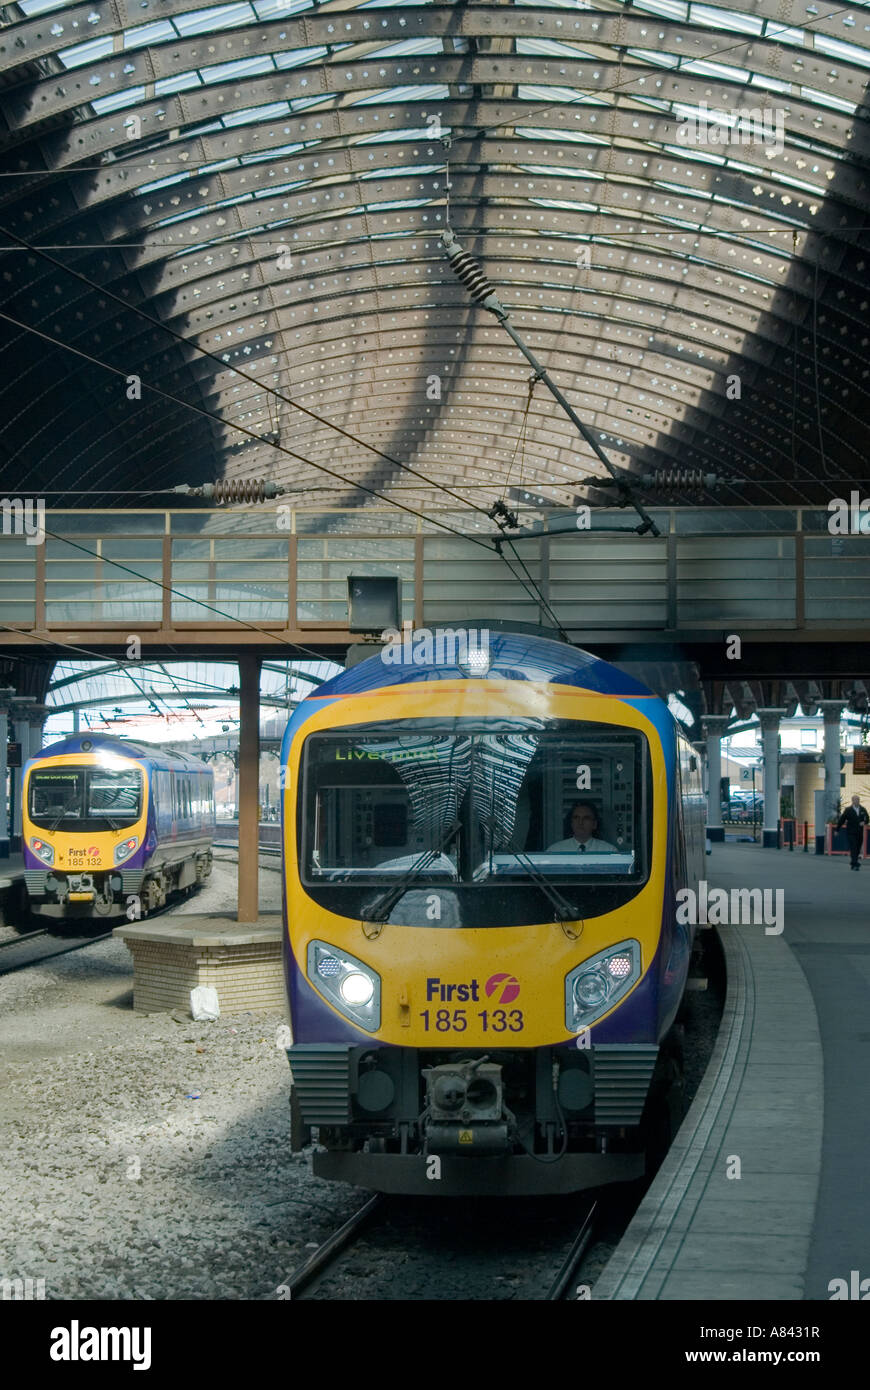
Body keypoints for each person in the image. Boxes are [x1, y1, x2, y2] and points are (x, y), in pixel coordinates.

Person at [547, 800, 617, 853]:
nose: (580, 822)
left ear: (594, 824)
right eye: (576, 818)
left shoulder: (609, 851)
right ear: (571, 823)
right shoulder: (554, 851)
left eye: (586, 818)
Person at [836, 794, 869, 871]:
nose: (857, 801)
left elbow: (867, 818)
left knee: (857, 848)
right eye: (855, 800)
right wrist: (837, 830)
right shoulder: (848, 810)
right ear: (852, 801)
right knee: (853, 847)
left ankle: (853, 862)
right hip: (851, 832)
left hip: (859, 832)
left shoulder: (863, 809)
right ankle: (855, 863)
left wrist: (864, 822)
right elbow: (842, 820)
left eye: (858, 800)